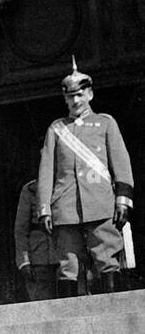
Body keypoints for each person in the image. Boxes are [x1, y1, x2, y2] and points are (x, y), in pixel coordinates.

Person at [36, 58, 134, 296]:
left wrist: (123, 198)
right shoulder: (56, 129)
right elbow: (46, 170)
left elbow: (121, 162)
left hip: (100, 202)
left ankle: (116, 315)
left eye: (80, 94)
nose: (75, 101)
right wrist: (44, 207)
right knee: (67, 265)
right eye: (70, 96)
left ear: (89, 94)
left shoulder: (105, 123)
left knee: (107, 257)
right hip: (66, 207)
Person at [14, 174, 57, 301]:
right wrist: (24, 260)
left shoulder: (68, 185)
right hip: (39, 259)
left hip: (67, 257)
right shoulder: (30, 189)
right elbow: (21, 229)